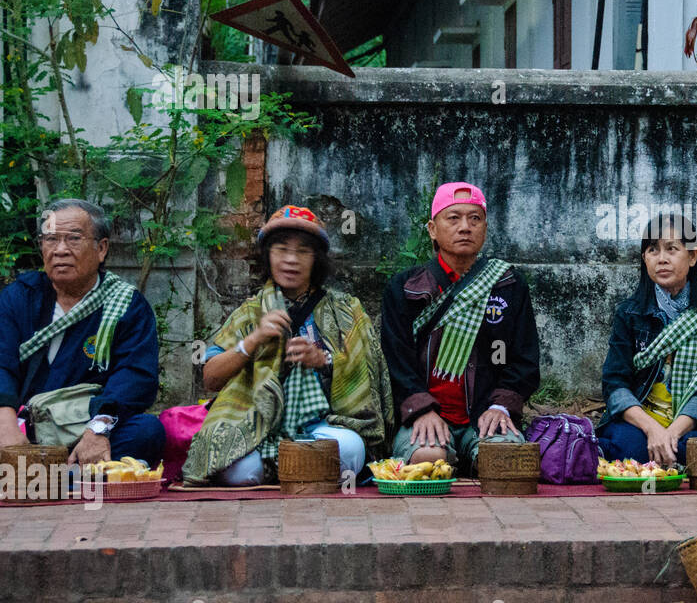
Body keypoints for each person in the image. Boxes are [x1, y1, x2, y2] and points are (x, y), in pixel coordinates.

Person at [182, 205, 391, 485]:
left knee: (351, 448)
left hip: (322, 425)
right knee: (238, 472)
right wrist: (253, 340)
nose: (291, 260)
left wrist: (324, 360)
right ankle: (299, 469)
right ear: (268, 256)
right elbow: (211, 377)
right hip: (255, 426)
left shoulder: (347, 310)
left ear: (317, 259)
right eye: (281, 249)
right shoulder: (249, 313)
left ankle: (287, 469)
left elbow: (369, 377)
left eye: (303, 251)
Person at [381, 182, 541, 474]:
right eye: (453, 218)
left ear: (485, 227)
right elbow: (396, 361)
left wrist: (501, 407)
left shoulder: (508, 285)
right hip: (425, 415)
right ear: (432, 229)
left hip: (486, 414)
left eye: (474, 218)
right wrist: (422, 409)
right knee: (427, 460)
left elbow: (524, 359)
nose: (465, 227)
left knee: (505, 462)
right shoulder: (405, 289)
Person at [0, 199, 164, 466]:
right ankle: (71, 474)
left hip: (81, 427)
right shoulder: (20, 297)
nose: (60, 250)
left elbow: (135, 375)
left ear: (101, 248)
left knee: (146, 432)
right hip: (19, 428)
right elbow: (2, 363)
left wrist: (97, 430)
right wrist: (5, 427)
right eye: (50, 239)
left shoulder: (125, 304)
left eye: (73, 239)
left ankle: (59, 471)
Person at [597, 212, 697, 466]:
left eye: (672, 249)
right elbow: (614, 383)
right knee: (634, 450)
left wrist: (671, 433)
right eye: (653, 250)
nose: (662, 259)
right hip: (641, 421)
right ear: (644, 259)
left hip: (688, 424)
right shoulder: (628, 313)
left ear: (692, 256)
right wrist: (653, 430)